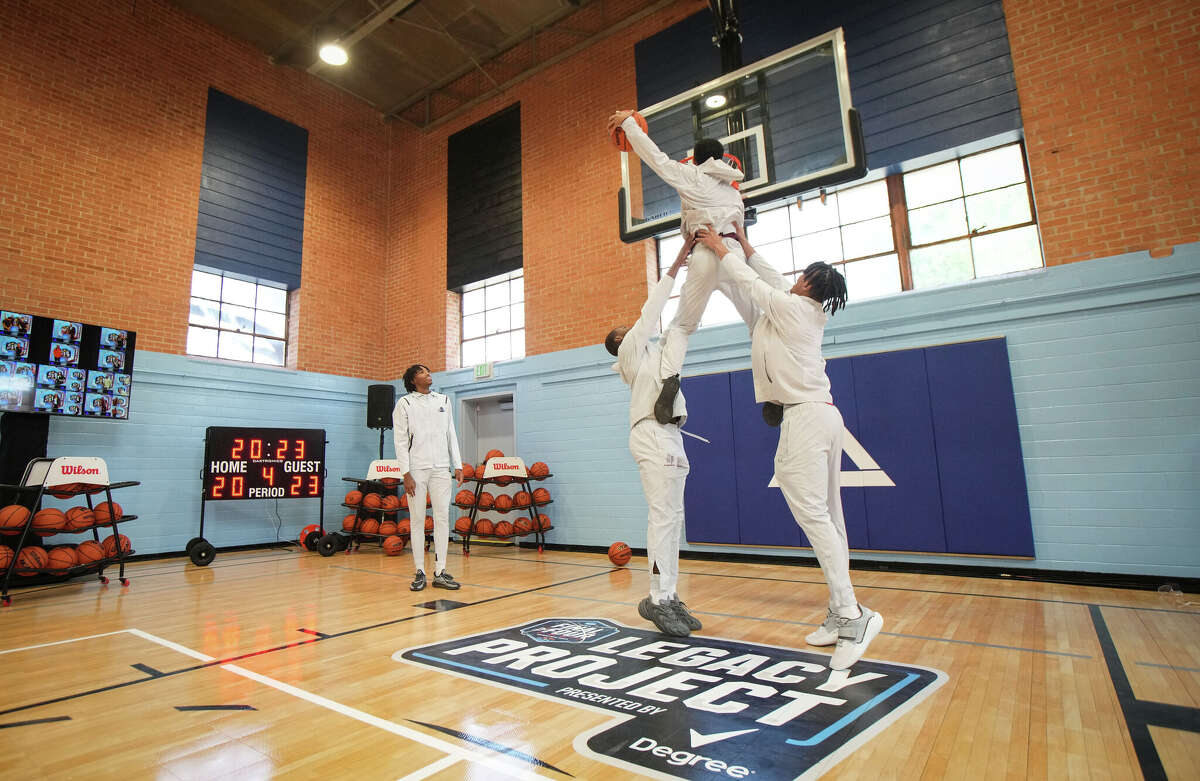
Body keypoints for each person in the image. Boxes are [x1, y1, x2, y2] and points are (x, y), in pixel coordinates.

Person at [696, 225, 883, 671]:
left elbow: (753, 283)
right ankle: (841, 613)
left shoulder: (795, 310)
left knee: (815, 516)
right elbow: (768, 273)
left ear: (810, 285)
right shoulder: (801, 306)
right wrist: (743, 240)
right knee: (828, 517)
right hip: (816, 414)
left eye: (802, 276)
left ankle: (854, 615)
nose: (794, 278)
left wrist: (722, 249)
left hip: (807, 417)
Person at [608, 109, 746, 424]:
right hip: (733, 253)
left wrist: (629, 124)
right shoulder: (733, 191)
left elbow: (655, 158)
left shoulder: (692, 176)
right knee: (759, 322)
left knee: (681, 327)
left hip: (702, 251)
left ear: (695, 160)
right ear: (722, 159)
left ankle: (671, 379)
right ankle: (774, 396)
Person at [604, 235, 704, 637]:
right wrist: (677, 259)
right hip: (648, 433)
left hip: (671, 434)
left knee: (675, 518)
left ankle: (670, 593)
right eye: (622, 331)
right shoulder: (631, 353)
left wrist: (699, 272)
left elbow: (679, 328)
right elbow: (651, 312)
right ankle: (656, 597)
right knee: (663, 516)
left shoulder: (656, 356)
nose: (629, 328)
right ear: (618, 344)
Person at [393, 364, 464, 592]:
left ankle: (440, 571)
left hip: (441, 468)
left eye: (428, 371)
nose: (428, 374)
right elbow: (400, 441)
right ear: (413, 380)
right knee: (417, 519)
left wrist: (458, 464)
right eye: (422, 372)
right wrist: (406, 473)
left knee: (442, 518)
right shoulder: (404, 403)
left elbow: (451, 433)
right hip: (416, 470)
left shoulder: (443, 400)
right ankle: (419, 571)